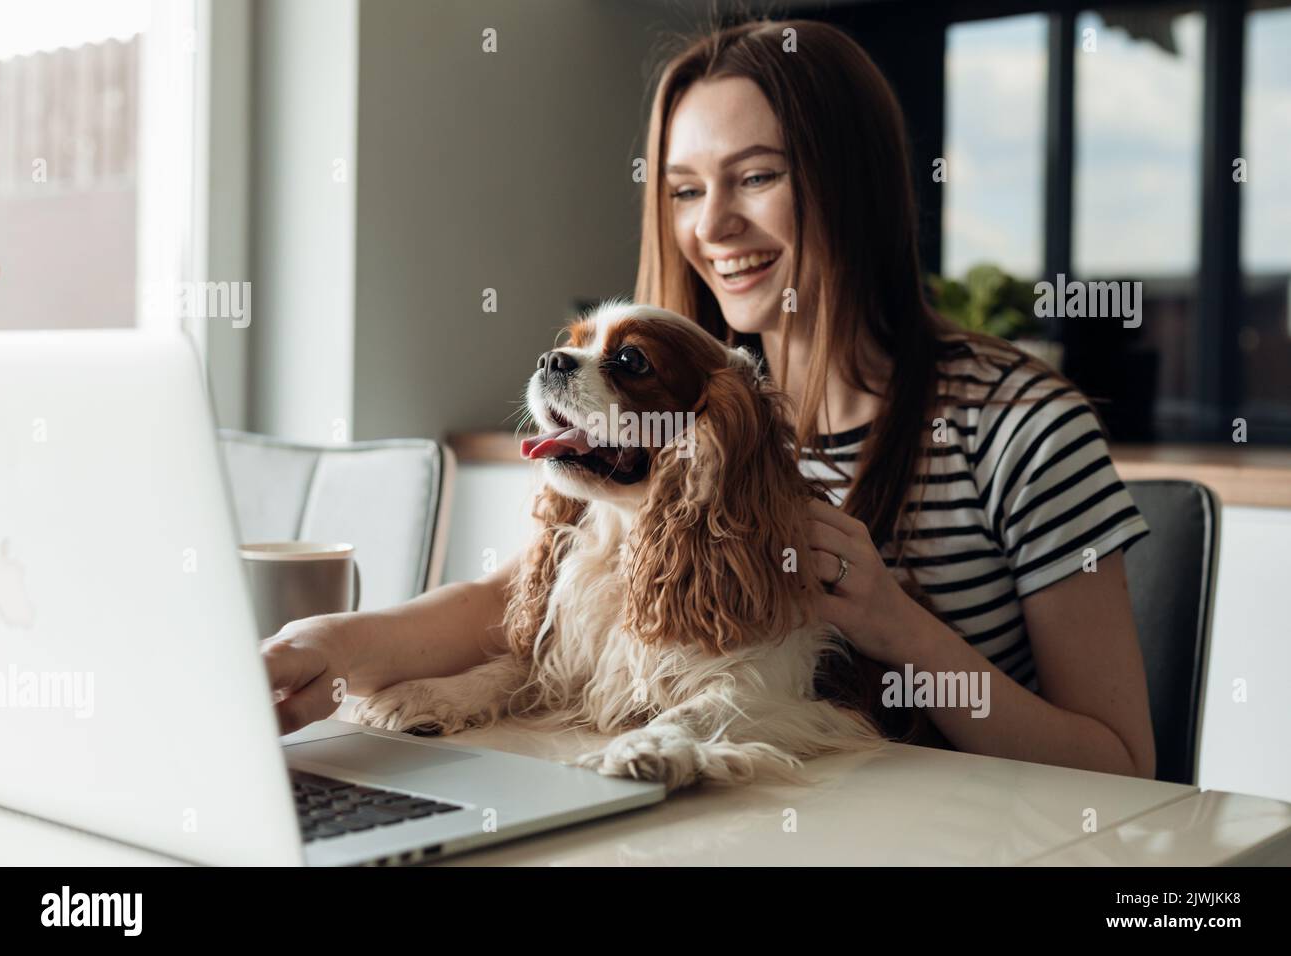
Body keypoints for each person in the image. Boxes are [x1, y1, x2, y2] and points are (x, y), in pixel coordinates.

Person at [266, 19, 1156, 778]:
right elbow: (510, 603)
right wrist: (332, 645)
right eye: (686, 189)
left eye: (757, 177)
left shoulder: (1023, 429)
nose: (712, 224)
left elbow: (1121, 767)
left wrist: (901, 629)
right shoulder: (680, 411)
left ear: (853, 186)